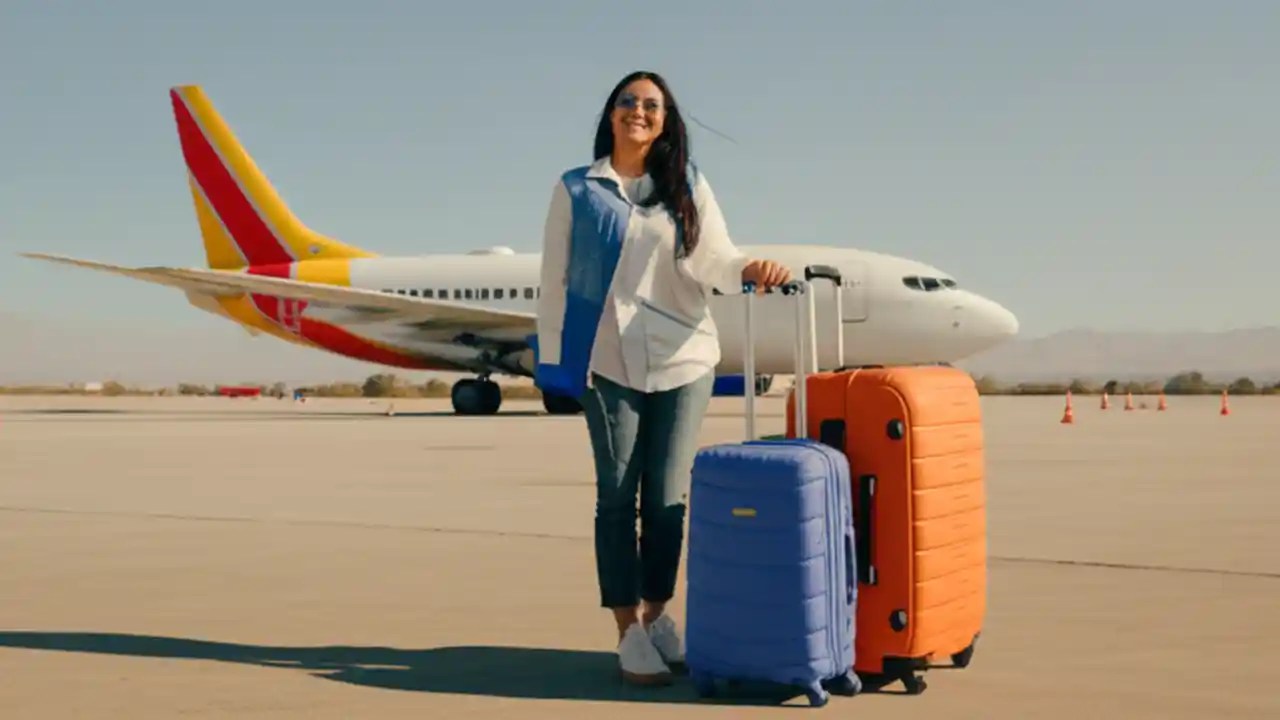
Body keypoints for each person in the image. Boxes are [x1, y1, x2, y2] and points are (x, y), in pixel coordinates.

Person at [533, 70, 793, 685]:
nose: (639, 111)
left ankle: (657, 614)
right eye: (628, 101)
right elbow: (554, 281)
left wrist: (748, 267)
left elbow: (716, 258)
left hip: (684, 356)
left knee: (669, 499)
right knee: (618, 497)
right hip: (607, 358)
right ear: (612, 114)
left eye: (651, 104)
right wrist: (552, 364)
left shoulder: (687, 185)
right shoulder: (577, 189)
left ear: (666, 118)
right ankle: (626, 630)